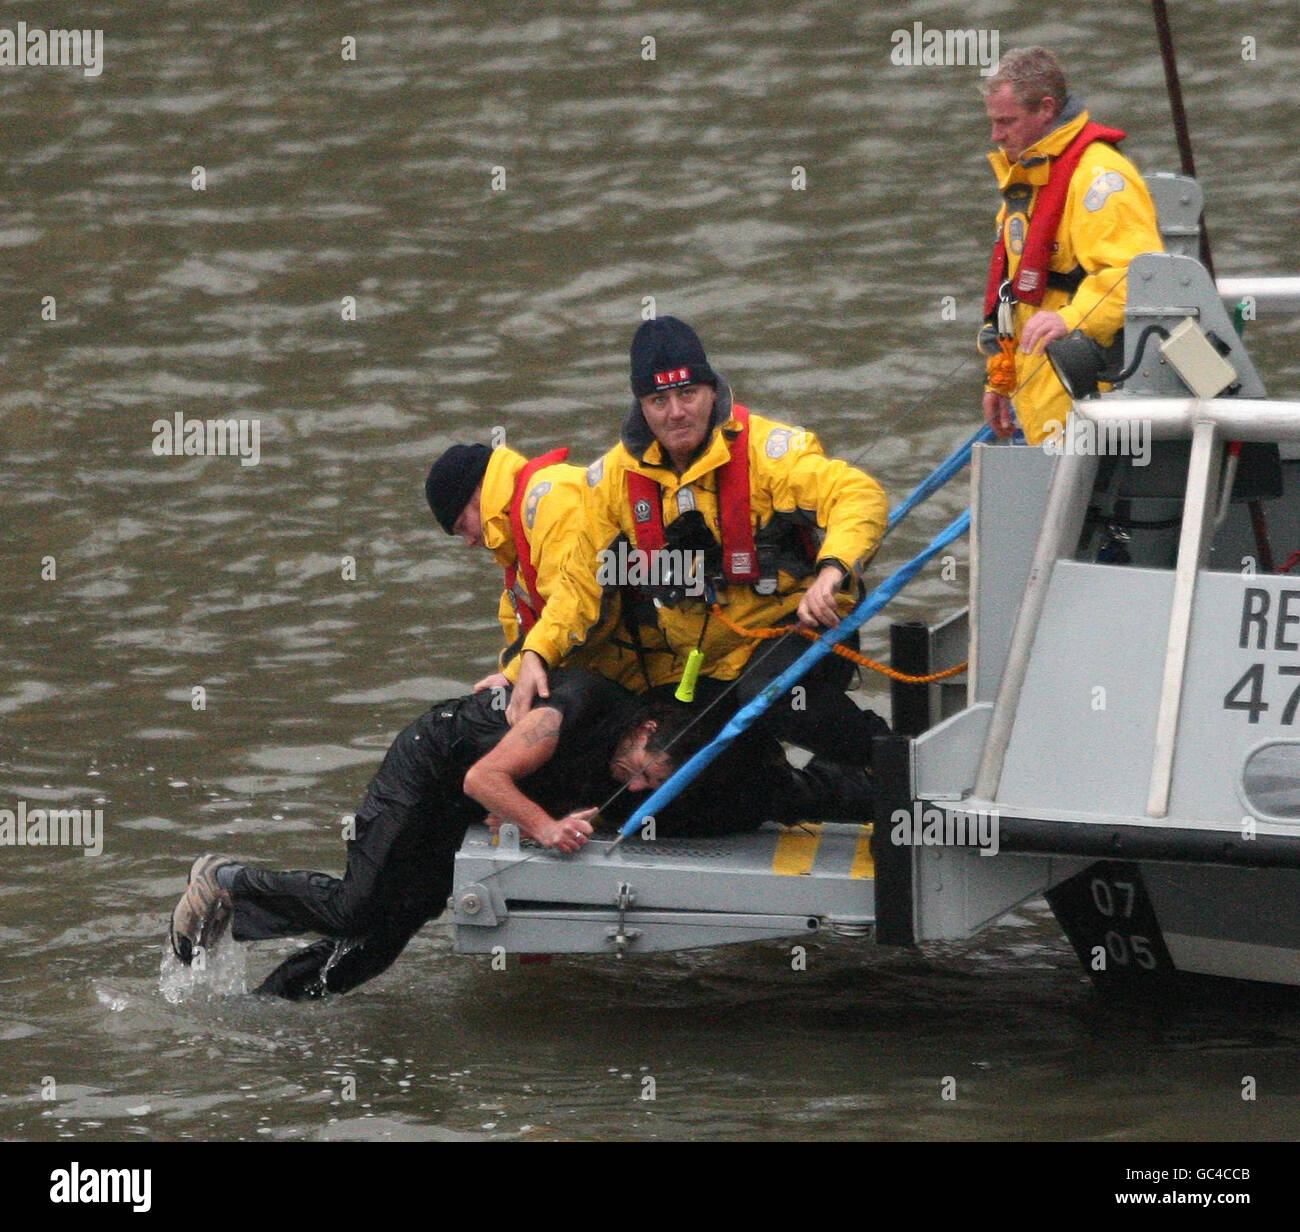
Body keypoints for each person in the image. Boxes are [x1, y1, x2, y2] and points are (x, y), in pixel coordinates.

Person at [169, 671, 712, 1000]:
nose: (637, 786)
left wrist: (530, 816)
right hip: (431, 763)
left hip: (464, 799)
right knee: (357, 907)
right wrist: (543, 827)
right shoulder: (577, 714)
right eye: (643, 770)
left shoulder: (627, 757)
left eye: (651, 785)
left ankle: (272, 1009)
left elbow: (510, 789)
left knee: (381, 942)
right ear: (644, 730)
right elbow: (485, 777)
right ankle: (226, 881)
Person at [506, 316, 891, 771]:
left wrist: (832, 571)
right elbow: (578, 587)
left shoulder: (770, 451)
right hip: (703, 663)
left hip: (797, 627)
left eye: (687, 394)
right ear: (641, 406)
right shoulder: (613, 479)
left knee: (774, 696)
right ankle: (795, 794)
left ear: (712, 391)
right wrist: (532, 656)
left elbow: (858, 495)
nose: (676, 412)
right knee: (653, 744)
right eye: (659, 400)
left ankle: (892, 762)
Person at [979, 46, 1163, 446]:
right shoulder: (1028, 178)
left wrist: (1072, 318)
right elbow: (1013, 292)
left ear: (1046, 109)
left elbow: (1137, 275)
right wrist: (1001, 373)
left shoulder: (1100, 178)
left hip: (1092, 405)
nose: (996, 135)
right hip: (1042, 400)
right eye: (993, 122)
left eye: (1007, 122)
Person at [424, 442, 641, 692]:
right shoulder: (514, 545)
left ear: (479, 489)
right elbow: (522, 640)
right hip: (610, 675)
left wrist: (518, 674)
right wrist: (510, 675)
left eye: (463, 526)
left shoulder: (552, 499)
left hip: (645, 675)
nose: (469, 541)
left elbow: (585, 606)